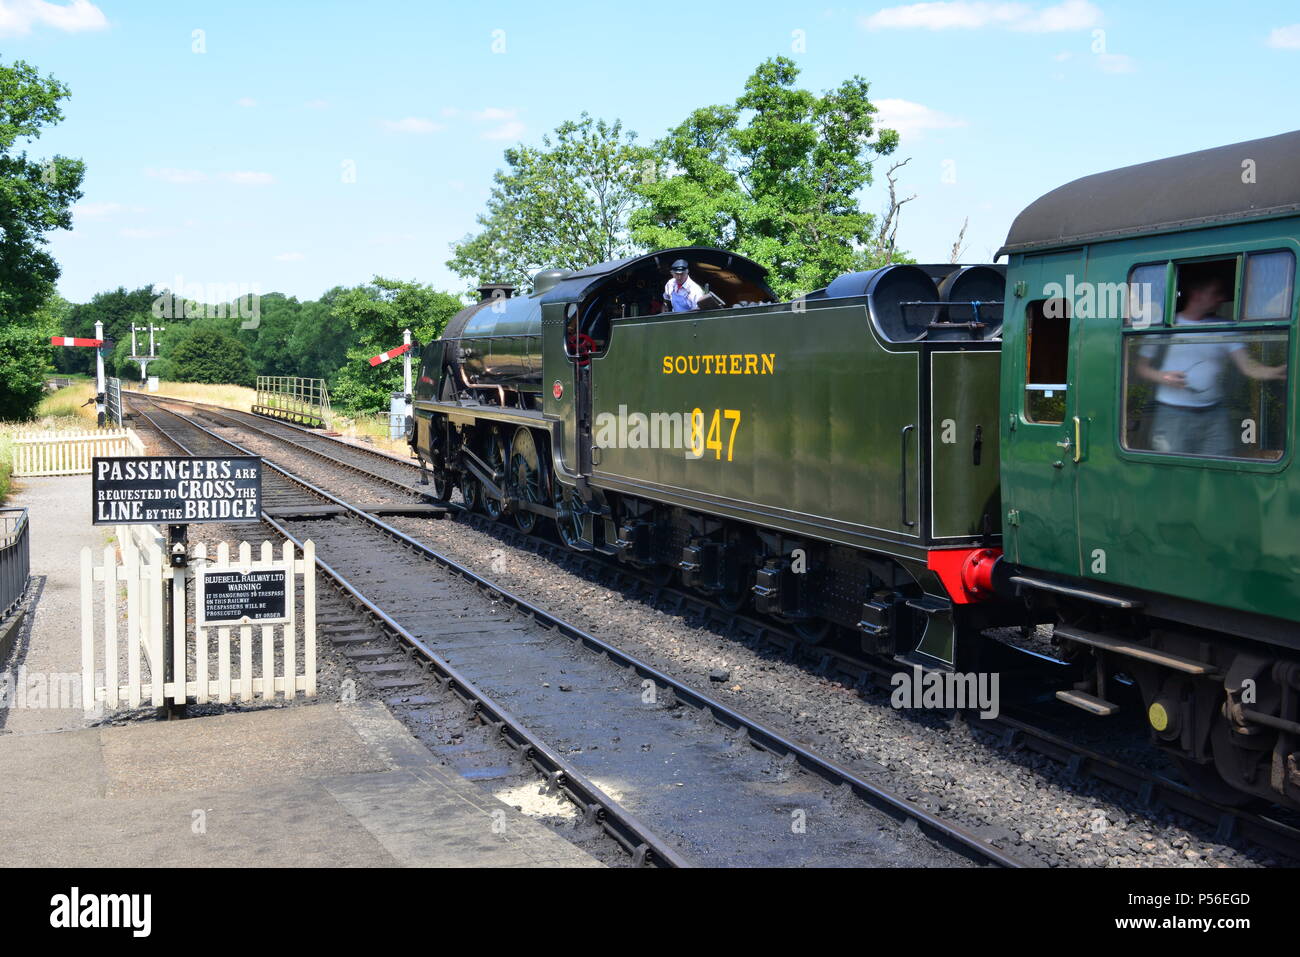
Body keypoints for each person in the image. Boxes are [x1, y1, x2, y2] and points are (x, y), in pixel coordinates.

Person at [1135, 276, 1286, 456]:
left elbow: (1248, 367)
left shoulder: (1224, 328)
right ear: (1197, 294)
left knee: (1219, 474)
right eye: (1215, 293)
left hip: (1215, 414)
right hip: (1172, 415)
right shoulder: (1163, 325)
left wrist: (1278, 371)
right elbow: (1141, 368)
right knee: (1176, 475)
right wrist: (1163, 377)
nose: (1220, 299)